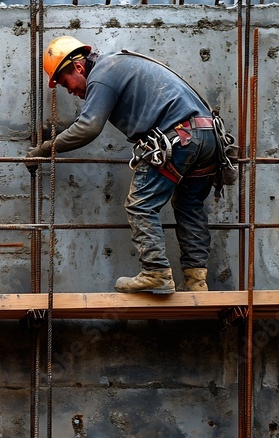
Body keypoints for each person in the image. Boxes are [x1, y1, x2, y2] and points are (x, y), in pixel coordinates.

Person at [27, 36, 222, 294]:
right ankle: (197, 281)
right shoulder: (118, 65)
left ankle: (156, 273)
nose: (70, 91)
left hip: (180, 137)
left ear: (78, 67)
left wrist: (43, 150)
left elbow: (88, 127)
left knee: (140, 204)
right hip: (208, 138)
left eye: (65, 83)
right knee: (189, 205)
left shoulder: (102, 74)